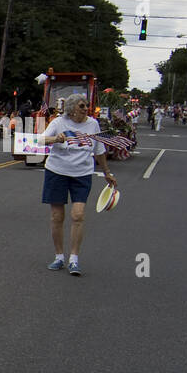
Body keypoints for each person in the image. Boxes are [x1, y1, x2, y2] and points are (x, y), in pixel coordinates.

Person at [38, 93, 116, 276]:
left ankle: (74, 259)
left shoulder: (93, 124)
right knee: (57, 216)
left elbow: (100, 150)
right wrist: (56, 139)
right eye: (82, 106)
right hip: (56, 172)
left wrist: (107, 173)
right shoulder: (58, 123)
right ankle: (59, 257)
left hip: (82, 174)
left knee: (78, 215)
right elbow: (41, 139)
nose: (85, 108)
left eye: (86, 105)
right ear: (72, 108)